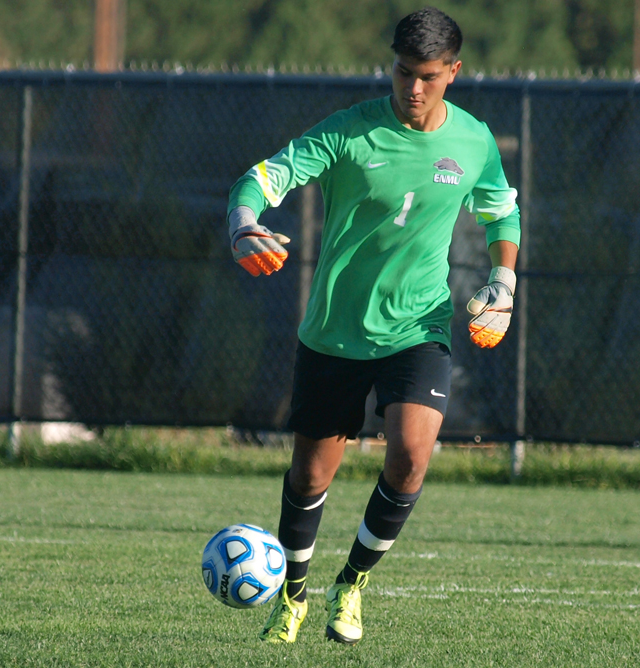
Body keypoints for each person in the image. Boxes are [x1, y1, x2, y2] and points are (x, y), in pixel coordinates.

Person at [225, 6, 520, 645]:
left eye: (429, 77)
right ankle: (292, 597)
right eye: (403, 72)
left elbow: (502, 214)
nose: (413, 88)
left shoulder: (473, 141)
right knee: (309, 478)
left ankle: (351, 585)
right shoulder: (350, 132)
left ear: (454, 73)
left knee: (411, 457)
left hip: (419, 327)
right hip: (334, 332)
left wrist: (503, 284)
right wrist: (244, 223)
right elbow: (261, 178)